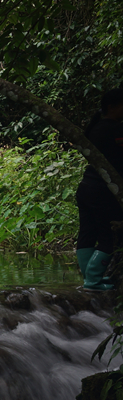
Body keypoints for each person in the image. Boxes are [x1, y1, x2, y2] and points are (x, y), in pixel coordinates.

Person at [76, 87, 123, 290]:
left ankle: (90, 277)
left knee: (88, 232)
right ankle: (92, 280)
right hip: (102, 191)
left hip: (87, 187)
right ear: (112, 107)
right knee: (108, 235)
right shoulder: (113, 129)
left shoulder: (95, 128)